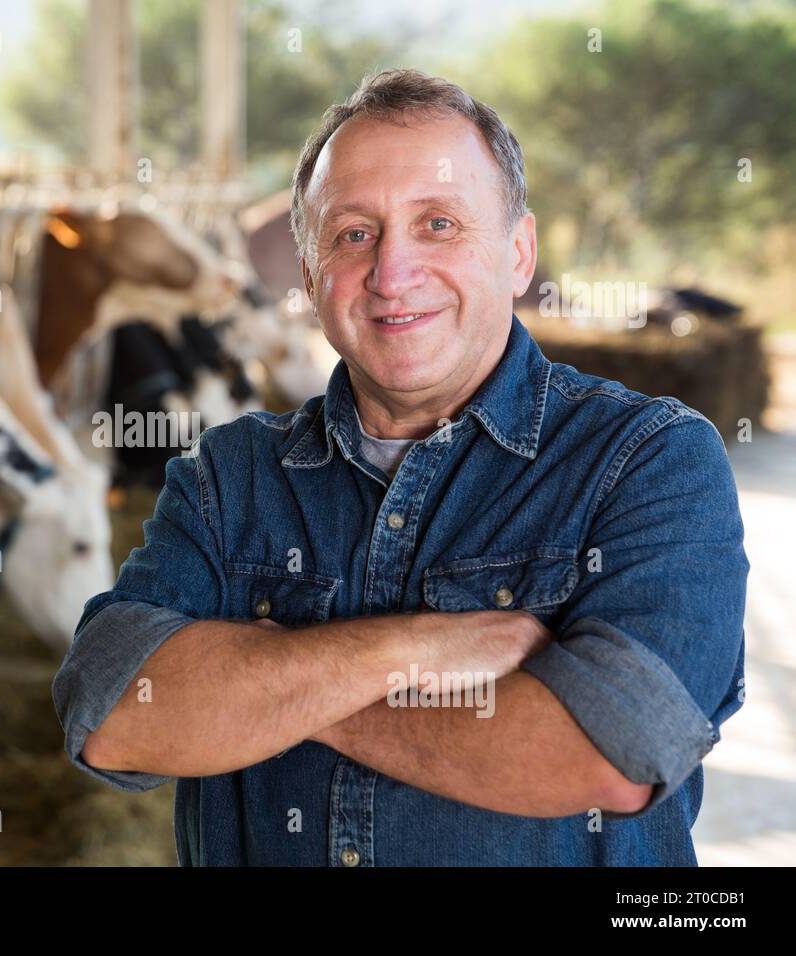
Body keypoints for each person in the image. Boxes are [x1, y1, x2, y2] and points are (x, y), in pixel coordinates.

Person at [52, 69, 748, 866]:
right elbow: (113, 717)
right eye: (354, 234)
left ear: (519, 254)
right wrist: (412, 653)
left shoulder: (646, 460)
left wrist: (273, 690)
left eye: (440, 224)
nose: (391, 274)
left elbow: (610, 753)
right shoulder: (230, 472)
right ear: (311, 277)